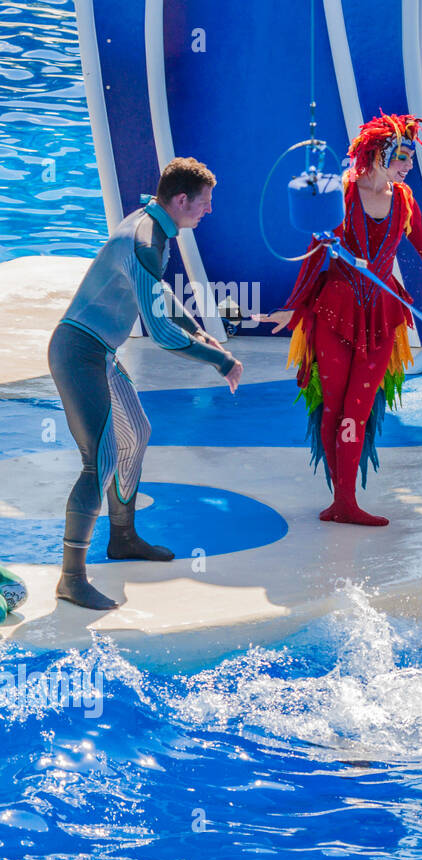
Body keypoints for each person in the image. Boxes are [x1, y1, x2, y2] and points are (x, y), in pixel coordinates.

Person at [260, 113, 422, 526]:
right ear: (379, 154)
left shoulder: (405, 200)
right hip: (333, 310)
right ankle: (340, 500)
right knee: (333, 406)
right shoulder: (342, 195)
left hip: (382, 314)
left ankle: (347, 502)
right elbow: (315, 255)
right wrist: (294, 306)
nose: (409, 165)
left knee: (356, 409)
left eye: (411, 156)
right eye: (402, 155)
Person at [47, 157, 242, 610]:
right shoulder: (145, 239)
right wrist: (219, 358)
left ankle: (124, 537)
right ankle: (71, 579)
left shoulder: (153, 224)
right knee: (100, 458)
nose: (208, 210)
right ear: (180, 200)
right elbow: (161, 333)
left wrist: (199, 329)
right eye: (204, 203)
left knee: (136, 433)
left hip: (102, 351)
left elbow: (159, 295)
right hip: (78, 353)